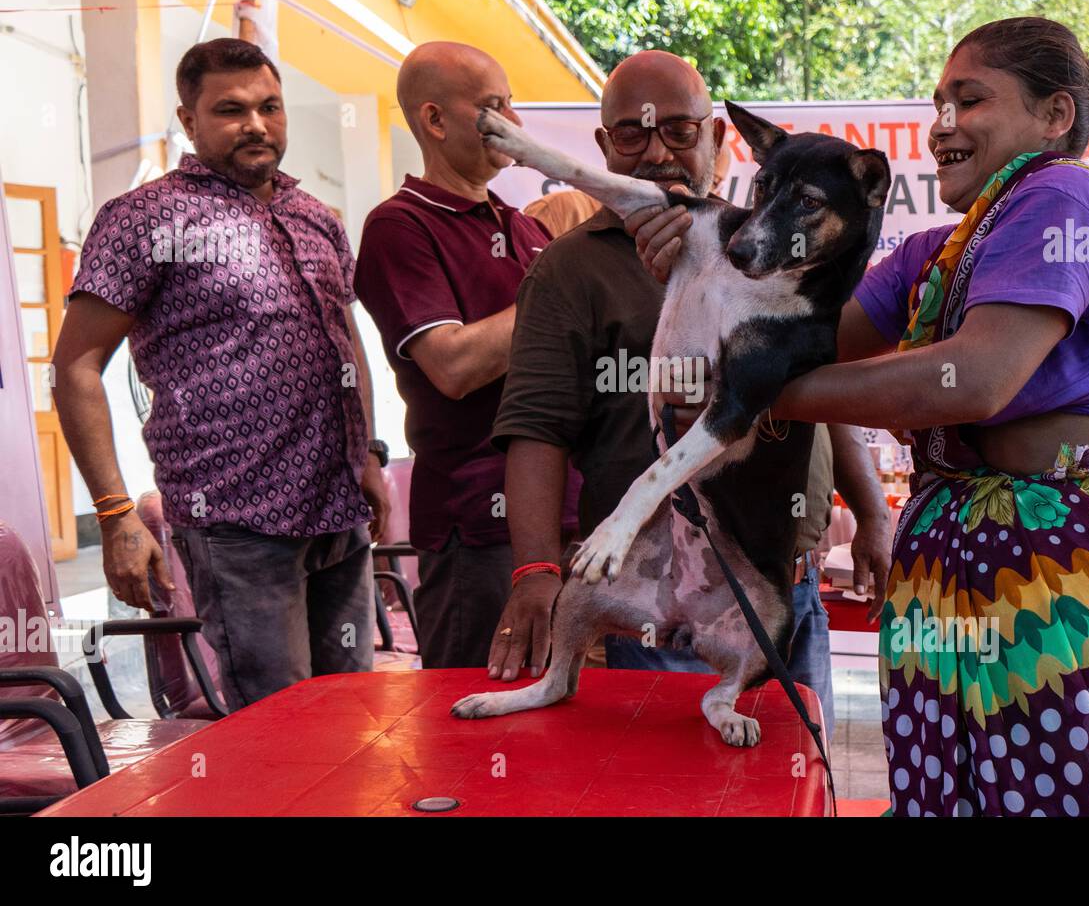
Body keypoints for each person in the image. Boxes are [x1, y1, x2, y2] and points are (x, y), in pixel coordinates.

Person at [631, 17, 1089, 816]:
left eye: (970, 100)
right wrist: (702, 261)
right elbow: (797, 343)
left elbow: (973, 382)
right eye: (938, 104)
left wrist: (758, 396)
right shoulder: (933, 255)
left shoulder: (1064, 197)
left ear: (1055, 116)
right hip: (970, 597)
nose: (942, 125)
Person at [489, 50, 894, 738]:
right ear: (603, 146)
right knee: (674, 782)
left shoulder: (771, 246)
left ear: (716, 138)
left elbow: (822, 389)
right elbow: (536, 427)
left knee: (794, 770)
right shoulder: (570, 268)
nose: (657, 151)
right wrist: (534, 570)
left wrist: (873, 514)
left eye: (679, 130)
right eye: (632, 134)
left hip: (786, 582)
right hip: (660, 584)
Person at [53, 38, 389, 710]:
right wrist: (115, 513)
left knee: (353, 715)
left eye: (270, 107)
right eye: (231, 110)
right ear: (189, 120)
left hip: (340, 511)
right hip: (237, 520)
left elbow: (346, 342)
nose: (256, 124)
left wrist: (372, 457)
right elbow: (75, 367)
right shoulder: (145, 218)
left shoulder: (316, 218)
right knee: (278, 728)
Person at [354, 42, 579, 669]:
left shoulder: (527, 229)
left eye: (512, 105)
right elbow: (452, 366)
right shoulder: (401, 225)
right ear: (434, 120)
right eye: (494, 106)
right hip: (480, 525)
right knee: (477, 706)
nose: (514, 123)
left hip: (567, 519)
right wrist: (562, 296)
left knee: (569, 713)